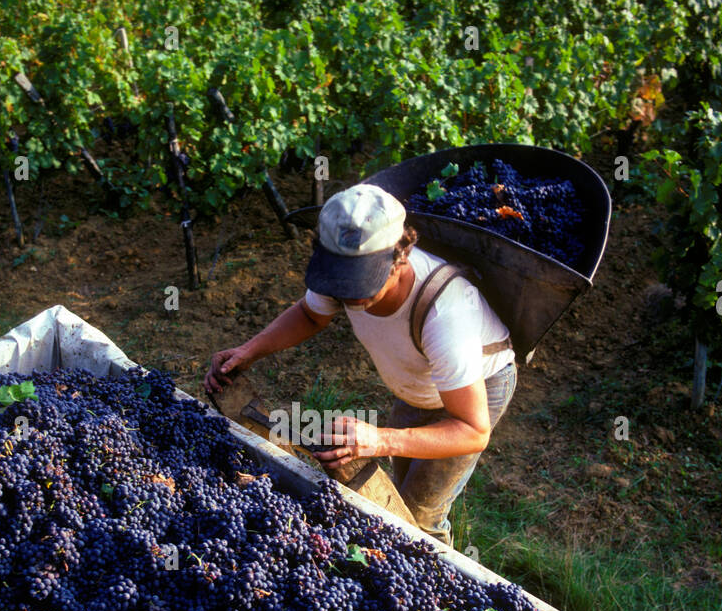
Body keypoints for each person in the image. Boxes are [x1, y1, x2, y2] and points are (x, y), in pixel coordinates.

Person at [204, 183, 516, 546]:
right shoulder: (342, 273)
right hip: (421, 382)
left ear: (401, 256)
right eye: (341, 281)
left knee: (419, 517)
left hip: (476, 391)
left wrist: (380, 439)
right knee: (397, 499)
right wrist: (249, 350)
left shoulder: (447, 316)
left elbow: (473, 430)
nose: (346, 294)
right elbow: (309, 314)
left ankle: (442, 584)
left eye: (359, 282)